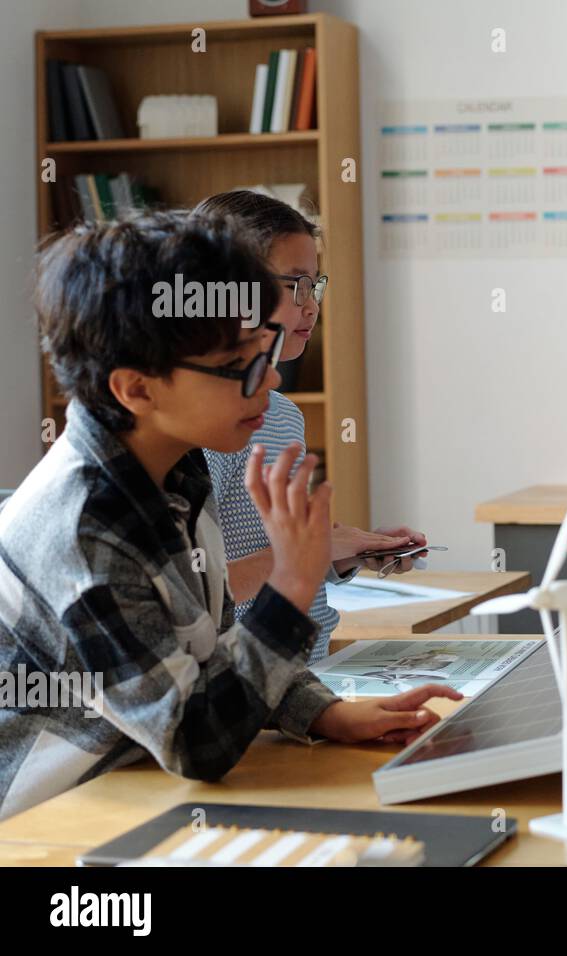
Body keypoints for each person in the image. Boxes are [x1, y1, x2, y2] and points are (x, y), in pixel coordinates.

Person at [0, 211, 459, 821]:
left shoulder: (177, 471)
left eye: (262, 353)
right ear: (136, 389)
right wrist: (291, 581)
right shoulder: (83, 530)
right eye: (238, 366)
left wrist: (322, 713)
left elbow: (211, 652)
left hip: (137, 789)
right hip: (50, 824)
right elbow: (196, 740)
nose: (269, 377)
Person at [194, 190, 428, 664]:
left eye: (315, 286)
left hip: (308, 670)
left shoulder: (282, 414)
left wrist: (347, 555)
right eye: (295, 285)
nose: (312, 306)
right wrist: (315, 550)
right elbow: (202, 588)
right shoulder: (203, 430)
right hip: (242, 685)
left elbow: (283, 549)